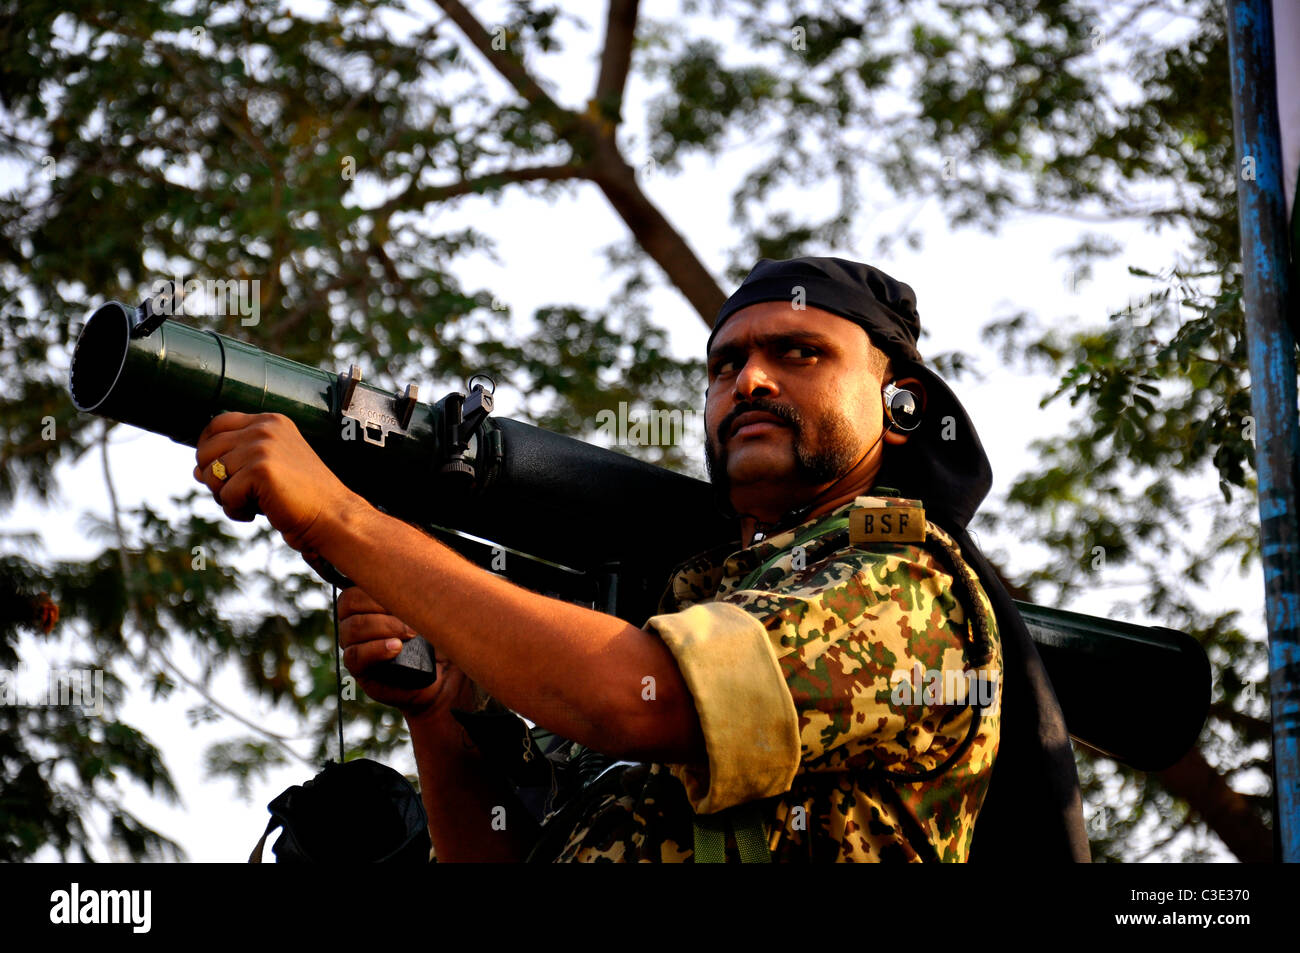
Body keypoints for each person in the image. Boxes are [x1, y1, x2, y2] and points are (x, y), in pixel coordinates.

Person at [192, 256, 1089, 862]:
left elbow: (633, 697)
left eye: (800, 353)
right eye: (725, 364)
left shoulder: (906, 580)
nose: (752, 380)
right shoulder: (679, 609)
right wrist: (441, 709)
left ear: (900, 405)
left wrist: (344, 520)